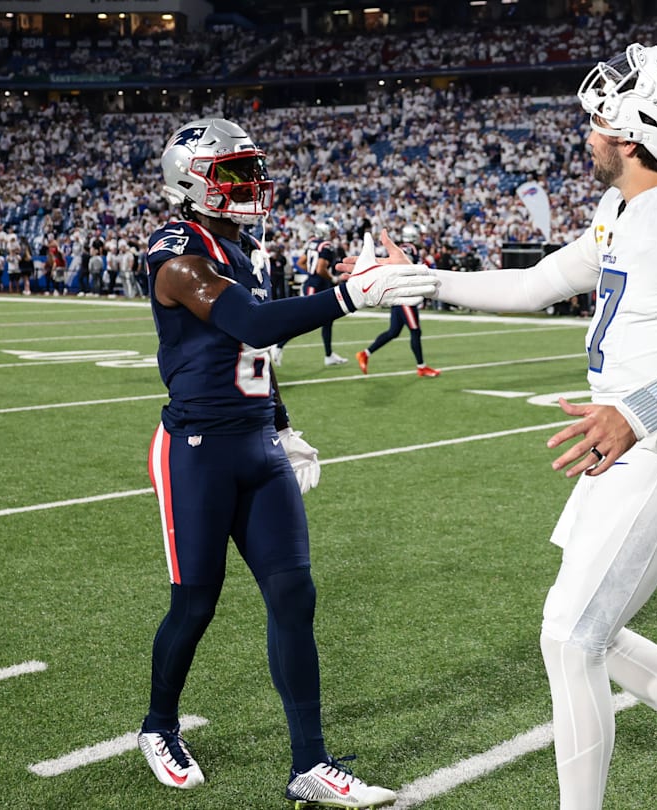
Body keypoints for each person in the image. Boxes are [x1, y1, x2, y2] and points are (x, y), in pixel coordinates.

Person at [372, 42, 657, 810]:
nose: (590, 130)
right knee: (585, 629)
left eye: (603, 117)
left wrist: (633, 413)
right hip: (630, 445)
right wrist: (424, 281)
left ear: (639, 129)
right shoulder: (622, 207)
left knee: (572, 637)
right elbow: (538, 283)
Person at [137, 117, 435, 809]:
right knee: (196, 603)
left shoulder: (244, 246)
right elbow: (255, 326)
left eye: (249, 170)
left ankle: (310, 764)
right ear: (193, 182)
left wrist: (283, 423)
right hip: (198, 451)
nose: (250, 185)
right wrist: (351, 294)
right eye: (234, 173)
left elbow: (258, 359)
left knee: (294, 596)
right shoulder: (178, 256)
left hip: (257, 443)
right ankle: (157, 726)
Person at [355, 226, 441, 378]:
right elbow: (413, 269)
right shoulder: (410, 249)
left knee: (393, 332)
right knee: (415, 330)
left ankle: (365, 354)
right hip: (405, 295)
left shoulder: (400, 248)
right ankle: (421, 367)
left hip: (398, 292)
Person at [274, 224, 349, 367]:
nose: (334, 233)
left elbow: (301, 263)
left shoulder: (312, 243)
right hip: (318, 286)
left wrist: (312, 272)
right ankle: (278, 345)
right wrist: (332, 278)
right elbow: (321, 269)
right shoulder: (327, 246)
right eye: (332, 231)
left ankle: (329, 355)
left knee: (328, 320)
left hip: (314, 284)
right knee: (305, 320)